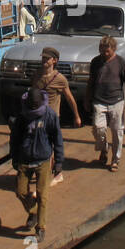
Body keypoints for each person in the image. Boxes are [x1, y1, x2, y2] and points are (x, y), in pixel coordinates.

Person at [9, 88, 63, 242]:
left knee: (42, 195)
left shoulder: (49, 115)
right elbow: (15, 138)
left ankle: (41, 228)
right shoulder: (22, 116)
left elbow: (57, 139)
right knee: (20, 191)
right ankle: (33, 211)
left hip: (43, 160)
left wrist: (58, 162)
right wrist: (14, 157)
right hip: (25, 160)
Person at [32, 47, 79, 186]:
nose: (44, 61)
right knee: (41, 144)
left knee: (53, 145)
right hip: (38, 116)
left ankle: (57, 173)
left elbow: (69, 98)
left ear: (54, 60)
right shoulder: (36, 75)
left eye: (47, 58)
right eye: (43, 58)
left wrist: (76, 116)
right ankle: (44, 171)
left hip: (52, 117)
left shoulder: (60, 79)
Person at [87, 35, 125, 172]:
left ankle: (115, 160)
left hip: (117, 101)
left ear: (113, 49)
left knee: (117, 131)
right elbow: (90, 82)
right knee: (98, 128)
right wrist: (87, 98)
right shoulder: (95, 62)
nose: (104, 54)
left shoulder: (121, 63)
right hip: (98, 101)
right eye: (101, 50)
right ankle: (104, 149)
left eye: (107, 51)